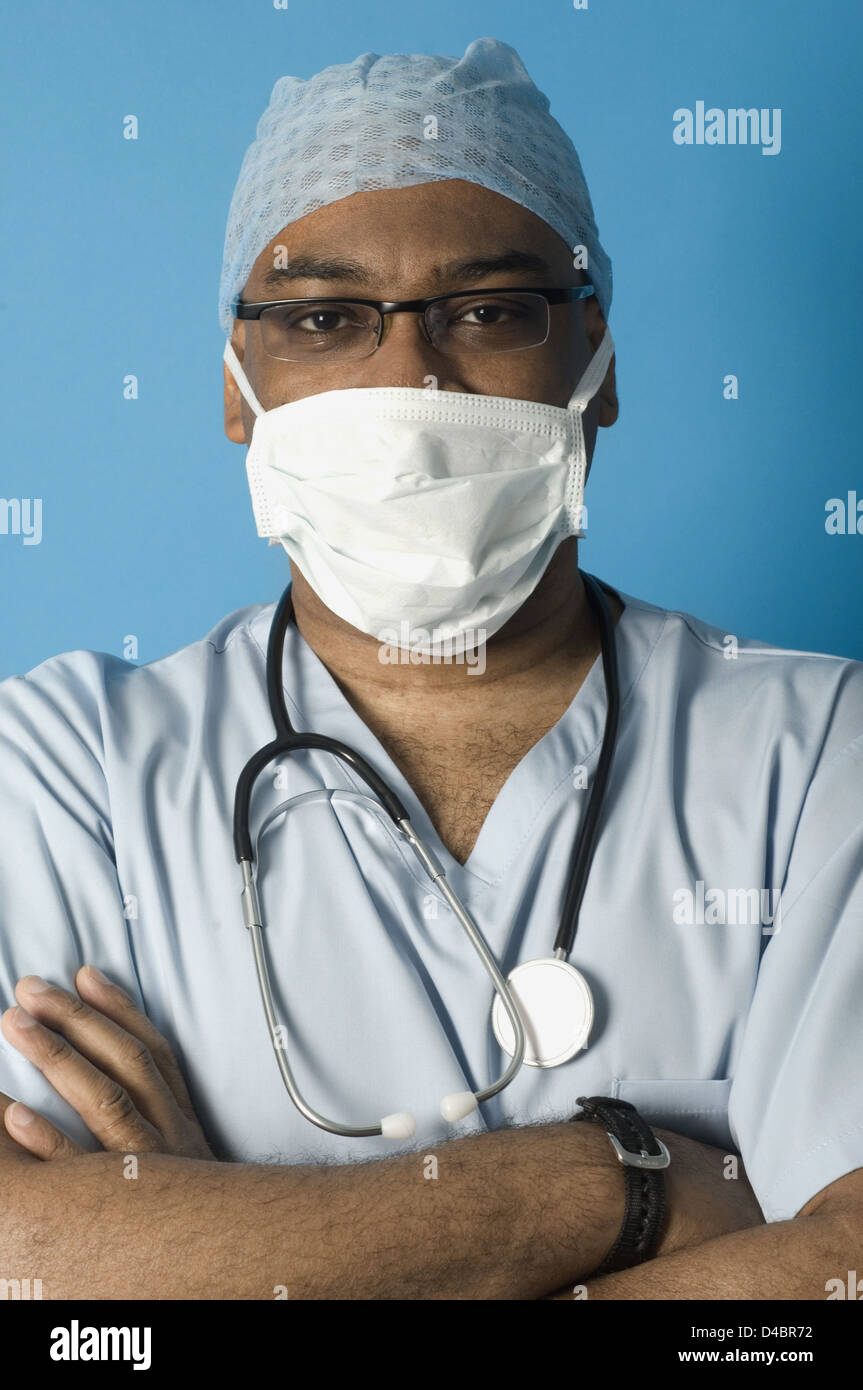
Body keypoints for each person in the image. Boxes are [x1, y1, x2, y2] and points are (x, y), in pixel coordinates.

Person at [0, 37, 860, 1301]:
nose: (409, 381)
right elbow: (23, 1260)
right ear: (238, 388)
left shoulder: (819, 752)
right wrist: (616, 1185)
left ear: (595, 360)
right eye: (323, 318)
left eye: (490, 310)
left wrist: (207, 1250)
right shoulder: (67, 769)